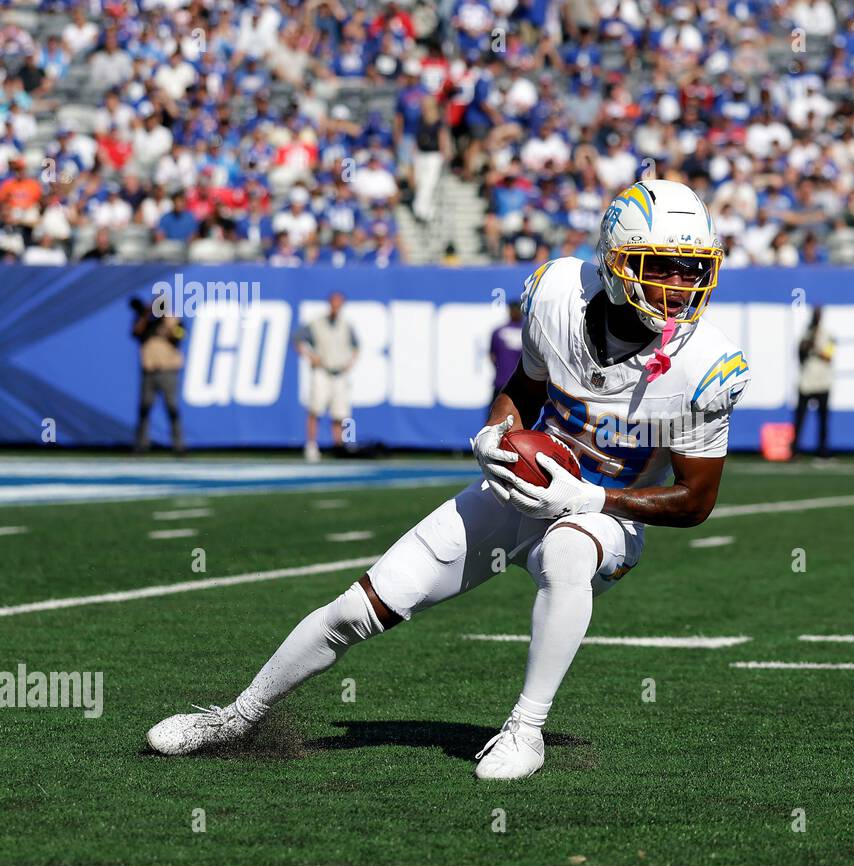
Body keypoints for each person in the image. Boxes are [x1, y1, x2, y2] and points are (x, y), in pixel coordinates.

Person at [145, 180, 751, 781]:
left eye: (692, 268)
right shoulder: (558, 296)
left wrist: (590, 497)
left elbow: (696, 500)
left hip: (607, 515)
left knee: (567, 552)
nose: (681, 284)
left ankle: (525, 730)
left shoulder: (704, 362)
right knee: (359, 607)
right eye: (661, 266)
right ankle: (237, 717)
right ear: (615, 264)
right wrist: (495, 432)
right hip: (520, 489)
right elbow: (524, 388)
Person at [295, 291, 359, 462]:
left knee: (341, 413)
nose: (336, 307)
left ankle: (341, 445)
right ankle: (311, 445)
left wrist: (350, 362)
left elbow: (356, 346)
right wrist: (310, 356)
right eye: (334, 303)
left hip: (340, 373)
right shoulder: (317, 323)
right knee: (315, 409)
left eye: (339, 304)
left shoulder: (346, 325)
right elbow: (297, 339)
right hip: (322, 371)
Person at [131, 296, 186, 455]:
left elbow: (179, 335)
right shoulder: (147, 321)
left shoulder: (172, 319)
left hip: (168, 370)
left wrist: (168, 323)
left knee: (172, 407)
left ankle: (178, 445)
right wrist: (145, 315)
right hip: (149, 371)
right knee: (144, 408)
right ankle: (141, 445)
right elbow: (136, 332)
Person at [792, 305, 834, 460]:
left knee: (823, 419)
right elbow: (799, 355)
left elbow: (829, 356)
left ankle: (823, 450)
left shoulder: (827, 335)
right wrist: (805, 345)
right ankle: (795, 449)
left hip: (822, 381)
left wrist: (816, 347)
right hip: (807, 381)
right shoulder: (806, 333)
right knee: (800, 418)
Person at [488, 299, 524, 408]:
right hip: (510, 383)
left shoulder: (528, 331)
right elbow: (492, 355)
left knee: (497, 414)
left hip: (517, 384)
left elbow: (492, 356)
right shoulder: (528, 332)